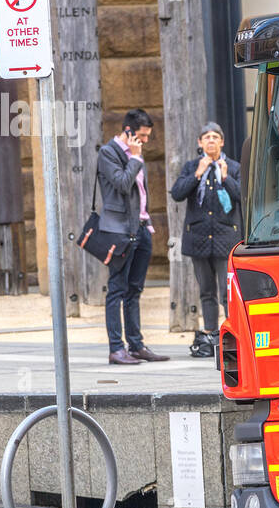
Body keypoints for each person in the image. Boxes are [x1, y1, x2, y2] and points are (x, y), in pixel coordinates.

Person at [98, 109, 170, 365]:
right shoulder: (109, 153)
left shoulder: (136, 155)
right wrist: (136, 158)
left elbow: (140, 194)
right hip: (119, 231)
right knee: (116, 289)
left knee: (135, 289)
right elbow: (121, 183)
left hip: (140, 229)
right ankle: (116, 349)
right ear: (128, 132)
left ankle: (136, 345)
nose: (146, 141)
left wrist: (147, 222)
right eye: (142, 135)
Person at [171, 121, 242, 357]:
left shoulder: (233, 167)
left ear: (222, 141)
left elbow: (242, 195)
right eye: (206, 137)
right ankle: (211, 334)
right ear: (200, 143)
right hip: (199, 238)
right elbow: (178, 193)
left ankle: (233, 336)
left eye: (215, 137)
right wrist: (198, 173)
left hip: (225, 238)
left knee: (226, 291)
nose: (211, 140)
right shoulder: (192, 166)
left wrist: (225, 177)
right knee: (206, 291)